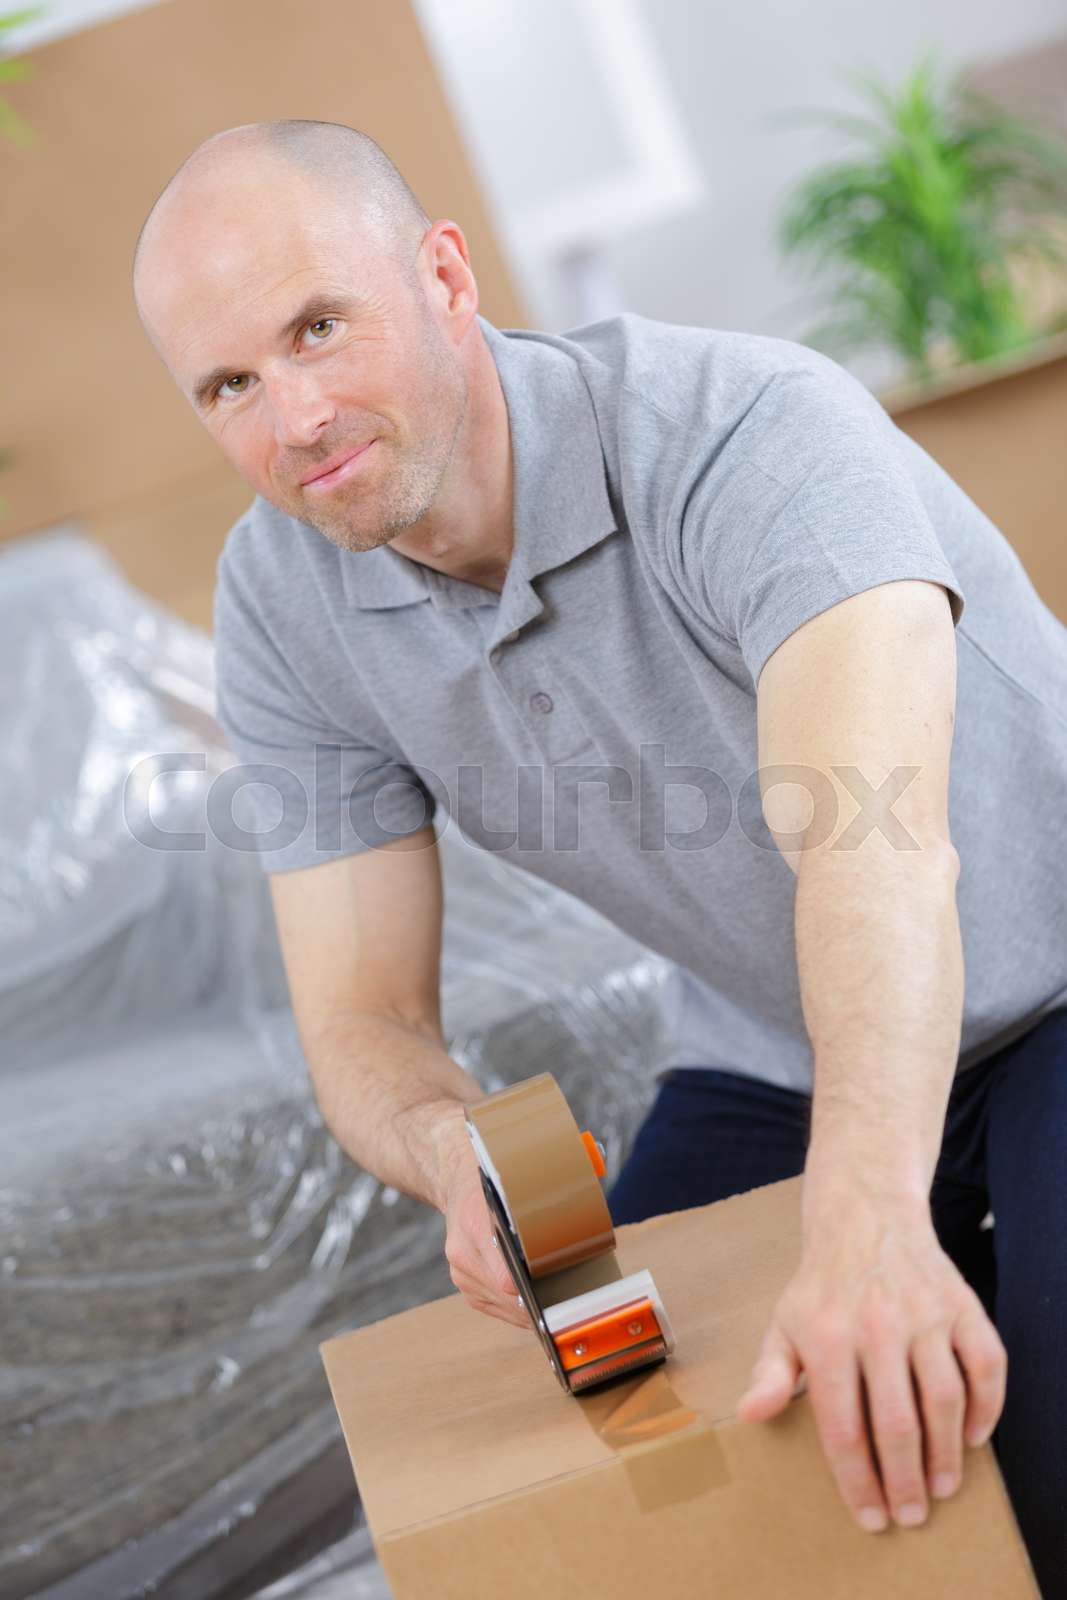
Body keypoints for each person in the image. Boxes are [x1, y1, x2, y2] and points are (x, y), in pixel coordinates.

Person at [132, 118, 1067, 1591]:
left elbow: (874, 860)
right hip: (777, 1045)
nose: (295, 419)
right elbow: (362, 1020)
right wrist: (455, 1152)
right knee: (660, 1442)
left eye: (319, 328)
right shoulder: (280, 600)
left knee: (1027, 1443)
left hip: (1045, 982)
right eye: (231, 385)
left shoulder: (745, 431)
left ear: (443, 274)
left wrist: (869, 1222)